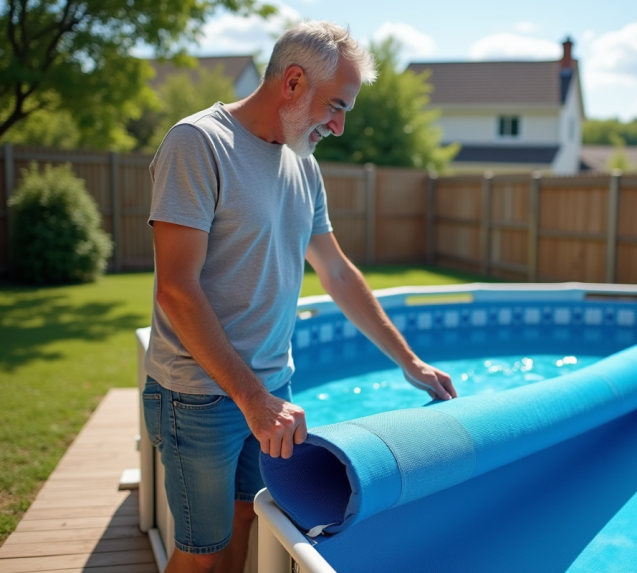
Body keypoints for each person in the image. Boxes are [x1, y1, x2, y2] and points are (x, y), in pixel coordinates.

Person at [141, 21, 458, 573]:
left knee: (246, 519)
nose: (338, 126)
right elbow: (176, 290)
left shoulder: (303, 165)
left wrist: (409, 361)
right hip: (198, 396)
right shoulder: (198, 144)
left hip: (271, 391)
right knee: (199, 555)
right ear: (292, 82)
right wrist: (254, 400)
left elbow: (336, 271)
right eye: (336, 106)